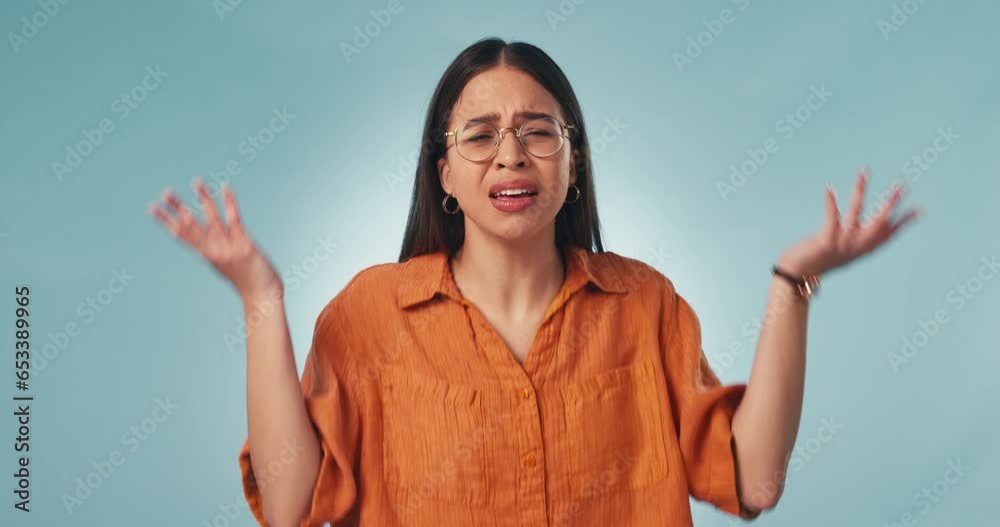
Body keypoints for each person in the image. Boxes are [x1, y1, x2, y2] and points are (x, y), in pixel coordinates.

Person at [149, 37, 921, 527]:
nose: (511, 155)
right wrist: (260, 296)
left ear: (573, 159)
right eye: (480, 135)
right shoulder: (371, 314)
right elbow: (287, 506)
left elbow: (755, 478)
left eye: (539, 131)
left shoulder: (643, 303)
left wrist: (793, 283)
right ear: (443, 170)